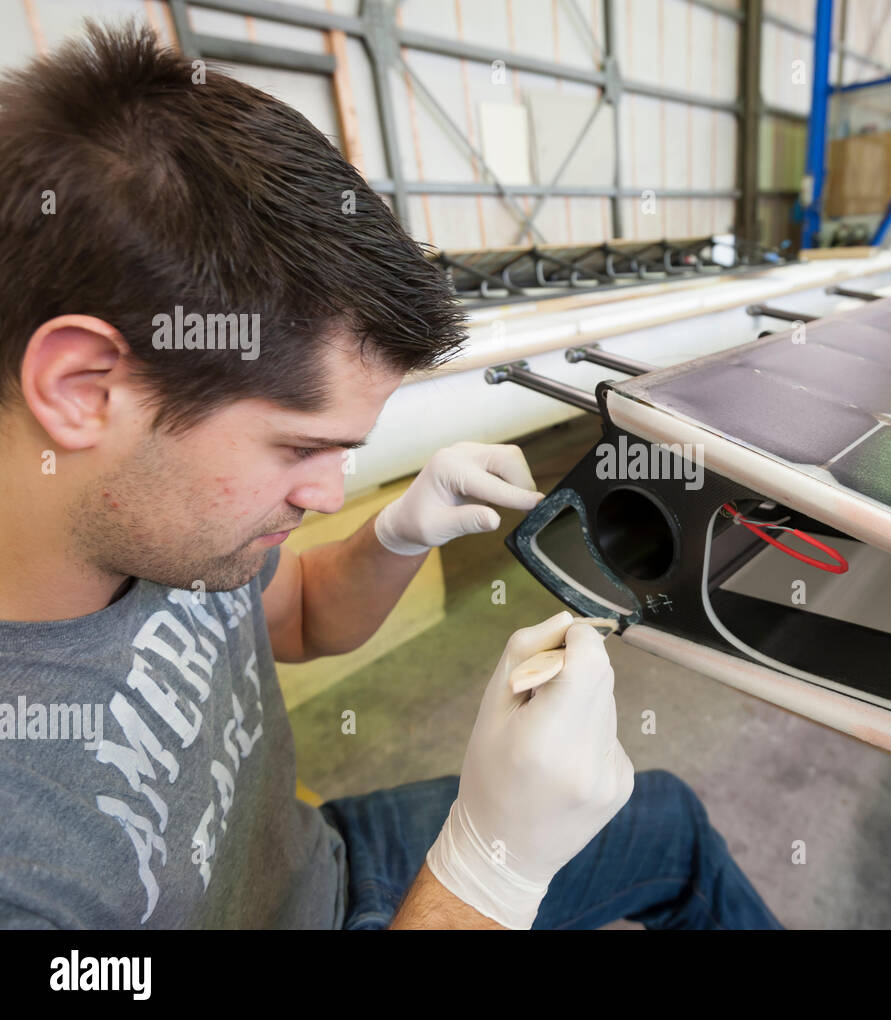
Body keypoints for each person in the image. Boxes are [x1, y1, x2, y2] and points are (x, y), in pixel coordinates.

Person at [0, 20, 781, 931]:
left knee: (669, 826)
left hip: (320, 871)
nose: (329, 494)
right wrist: (487, 874)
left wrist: (397, 534)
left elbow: (291, 613)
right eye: (299, 448)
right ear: (85, 390)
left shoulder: (162, 525)